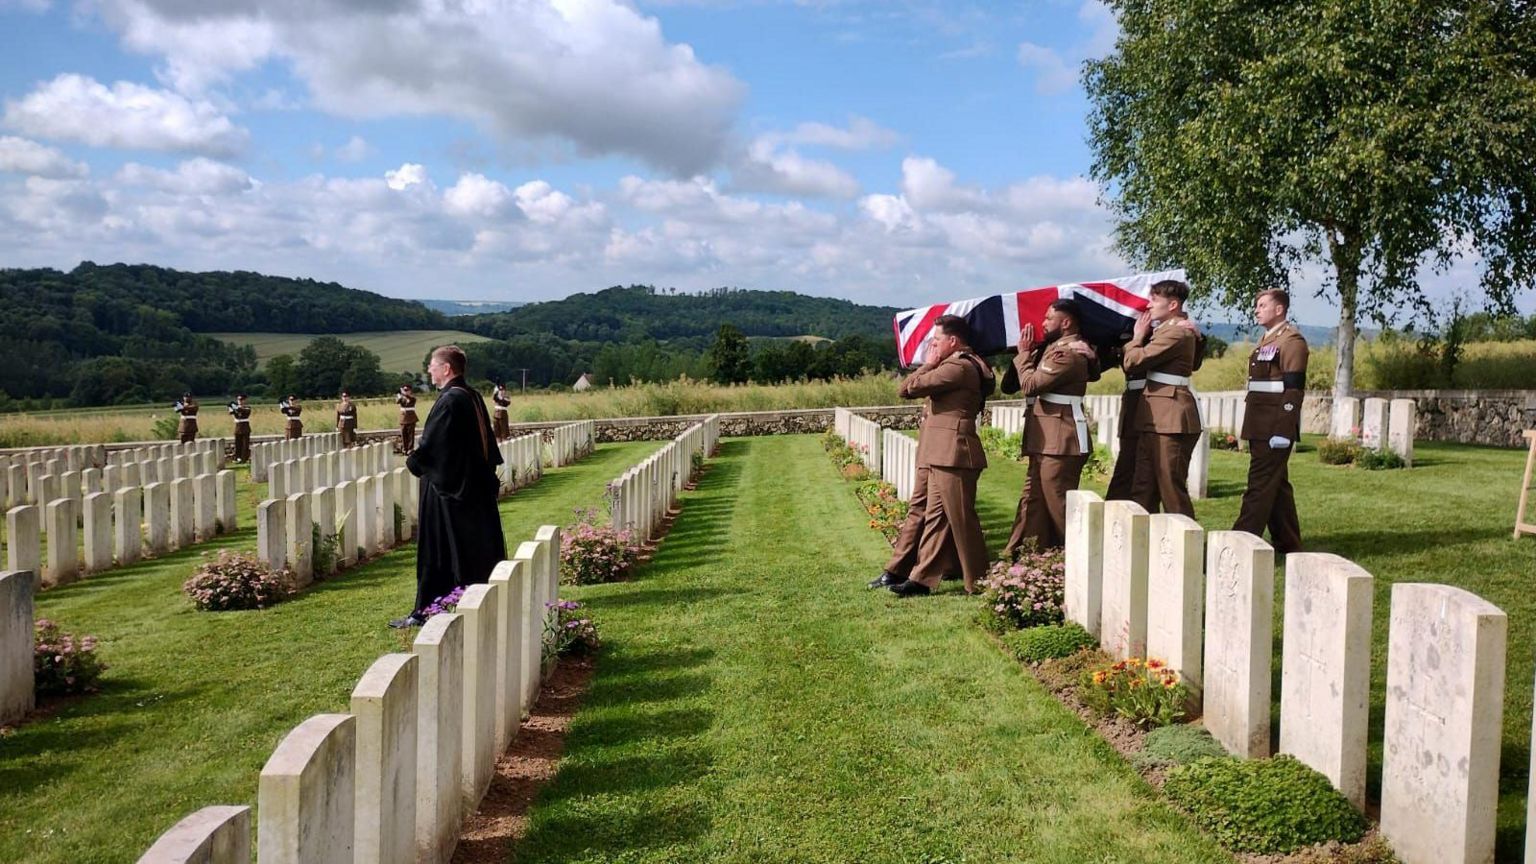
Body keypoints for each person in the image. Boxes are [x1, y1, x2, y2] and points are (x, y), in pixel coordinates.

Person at [392, 345, 508, 628]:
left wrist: (414, 462)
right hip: (473, 486)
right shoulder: (471, 395)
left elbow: (435, 445)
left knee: (440, 549)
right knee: (474, 548)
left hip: (449, 491)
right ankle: (470, 599)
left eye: (432, 365)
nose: (429, 370)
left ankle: (432, 606)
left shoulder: (450, 400)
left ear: (446, 369)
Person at [888, 315, 995, 598]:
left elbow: (908, 389)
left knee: (961, 518)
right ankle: (922, 579)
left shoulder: (958, 367)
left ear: (953, 341)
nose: (932, 346)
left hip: (954, 452)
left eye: (936, 340)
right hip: (942, 452)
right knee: (936, 517)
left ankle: (980, 580)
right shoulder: (962, 364)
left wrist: (929, 363)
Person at [1002, 300, 1093, 555]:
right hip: (1046, 438)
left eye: (1048, 318)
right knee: (1033, 501)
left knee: (1058, 504)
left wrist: (1023, 354)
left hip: (1061, 440)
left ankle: (1084, 558)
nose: (1042, 323)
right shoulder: (1055, 349)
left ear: (1066, 323)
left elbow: (1031, 386)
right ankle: (1028, 554)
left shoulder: (1067, 353)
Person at [1234, 288, 1309, 552]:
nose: (1257, 310)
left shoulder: (1291, 341)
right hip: (1259, 424)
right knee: (1276, 488)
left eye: (1262, 305)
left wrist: (1283, 430)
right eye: (1257, 305)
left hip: (1274, 426)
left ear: (1279, 309)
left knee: (1259, 486)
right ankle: (1289, 544)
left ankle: (1240, 543)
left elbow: (1293, 390)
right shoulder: (1267, 340)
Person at [1122, 279, 1202, 517]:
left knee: (1170, 489)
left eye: (1154, 300)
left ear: (1173, 305)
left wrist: (1137, 338)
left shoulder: (1176, 332)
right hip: (1155, 417)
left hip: (1171, 418)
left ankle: (1185, 539)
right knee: (1143, 487)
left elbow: (1133, 362)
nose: (1148, 305)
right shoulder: (1167, 330)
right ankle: (1145, 538)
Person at [1104, 318, 1206, 502]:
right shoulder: (1127, 327)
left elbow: (1192, 363)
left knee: (1161, 480)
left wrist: (1197, 338)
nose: (1150, 305)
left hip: (1161, 406)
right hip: (1136, 405)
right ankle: (1117, 517)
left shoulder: (1171, 331)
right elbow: (1112, 358)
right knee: (1129, 473)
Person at [229, 394, 252, 462]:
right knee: (238, 444)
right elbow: (231, 412)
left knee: (245, 444)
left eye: (241, 399)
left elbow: (243, 411)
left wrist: (235, 407)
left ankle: (244, 458)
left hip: (245, 427)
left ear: (245, 400)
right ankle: (237, 458)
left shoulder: (247, 407)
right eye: (238, 400)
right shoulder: (236, 407)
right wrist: (231, 407)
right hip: (238, 427)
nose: (240, 401)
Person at [397, 384, 419, 453]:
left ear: (410, 390)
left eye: (407, 390)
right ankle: (405, 449)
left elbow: (411, 399)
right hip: (403, 418)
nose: (406, 391)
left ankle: (410, 449)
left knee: (411, 435)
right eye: (405, 390)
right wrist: (401, 395)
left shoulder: (412, 397)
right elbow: (398, 401)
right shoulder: (401, 397)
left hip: (411, 418)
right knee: (403, 434)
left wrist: (404, 393)